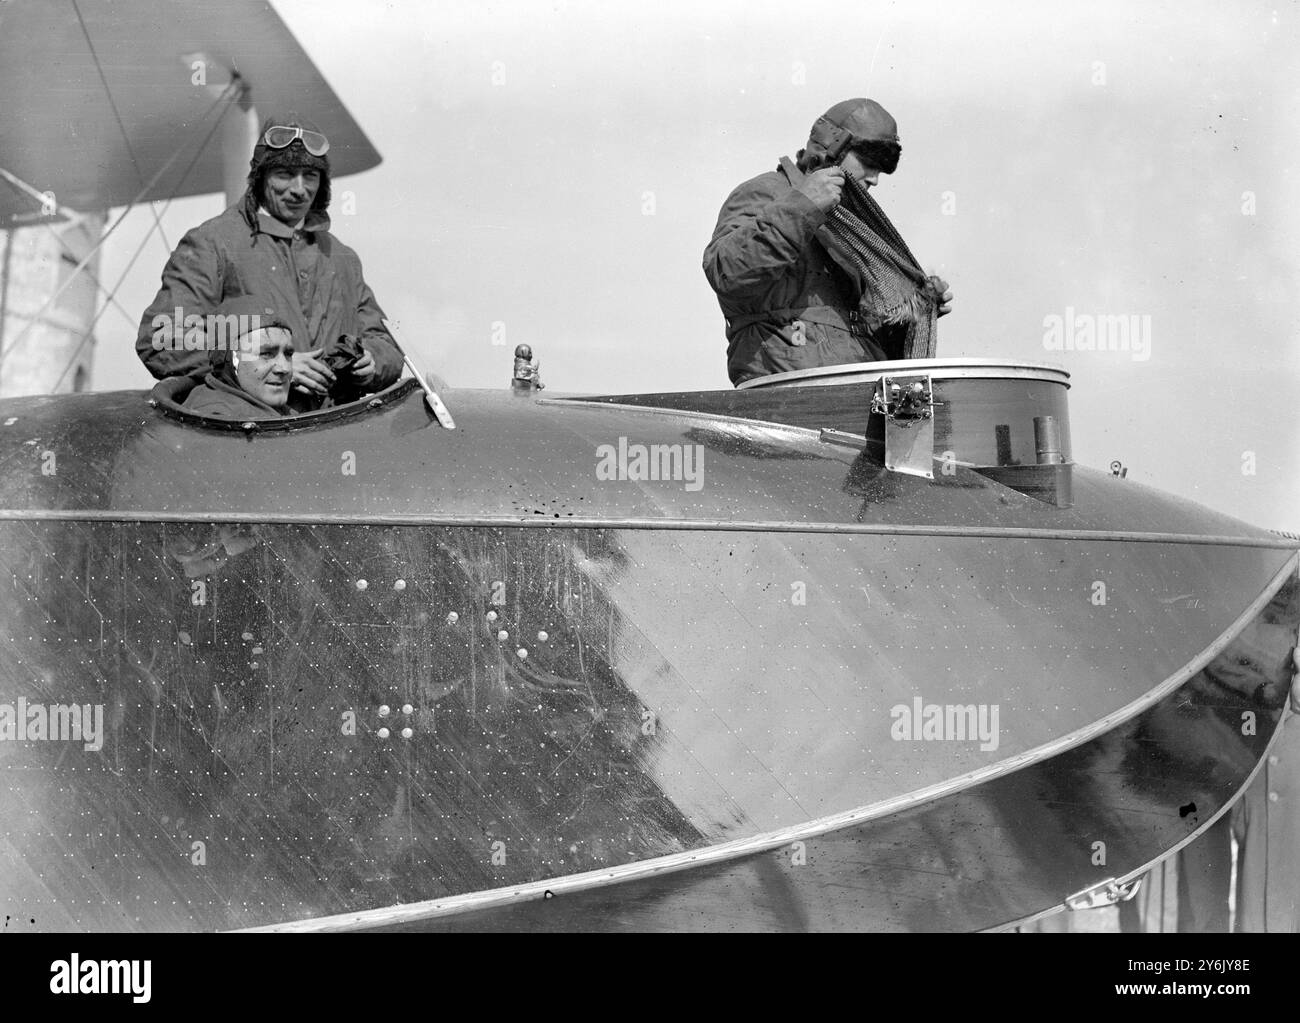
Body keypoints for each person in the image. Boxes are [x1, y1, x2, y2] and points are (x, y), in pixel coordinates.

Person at [137, 113, 403, 410]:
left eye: (310, 176)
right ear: (260, 178)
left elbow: (386, 344)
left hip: (335, 432)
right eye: (285, 174)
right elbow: (162, 339)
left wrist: (371, 361)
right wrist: (272, 364)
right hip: (252, 436)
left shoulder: (342, 258)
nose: (299, 189)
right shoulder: (213, 242)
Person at [703, 98, 953, 386]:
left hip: (853, 392)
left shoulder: (846, 226)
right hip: (788, 388)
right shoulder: (765, 193)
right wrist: (804, 206)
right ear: (830, 151)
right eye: (868, 163)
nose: (874, 179)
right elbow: (727, 272)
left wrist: (913, 313)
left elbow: (848, 332)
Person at [184, 295, 294, 418]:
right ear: (231, 359)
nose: (284, 368)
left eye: (288, 354)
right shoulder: (217, 418)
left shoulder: (277, 410)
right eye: (266, 354)